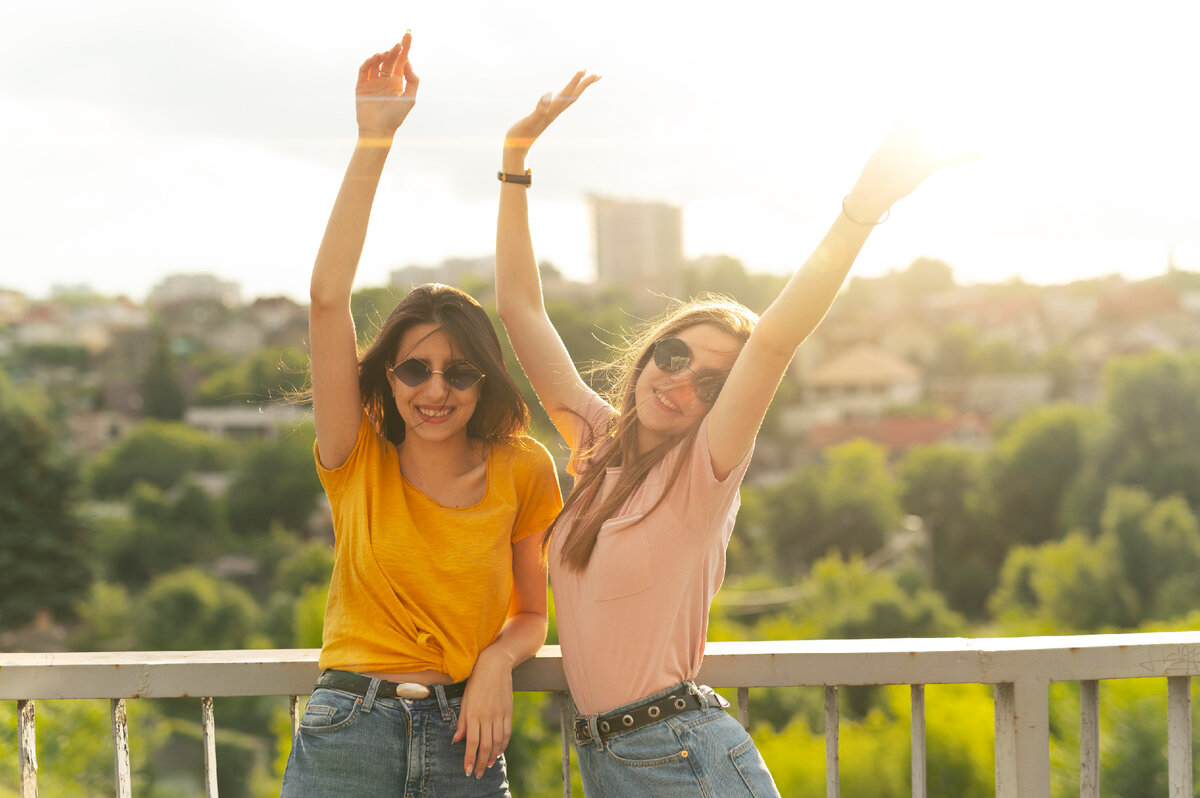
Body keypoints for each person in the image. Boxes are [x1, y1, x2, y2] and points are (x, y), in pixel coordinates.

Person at [495, 73, 968, 795]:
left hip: (681, 758)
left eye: (712, 383)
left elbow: (776, 338)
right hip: (611, 760)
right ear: (650, 351)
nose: (680, 382)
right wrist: (515, 160)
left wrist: (863, 207)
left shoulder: (703, 472)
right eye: (674, 355)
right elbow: (522, 311)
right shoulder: (597, 445)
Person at [281, 33, 562, 797]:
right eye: (414, 368)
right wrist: (375, 140)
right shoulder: (356, 454)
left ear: (485, 378)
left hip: (466, 739)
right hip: (348, 730)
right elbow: (327, 300)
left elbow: (531, 613)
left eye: (458, 371)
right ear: (390, 374)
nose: (434, 390)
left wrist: (499, 662)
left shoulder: (523, 467)